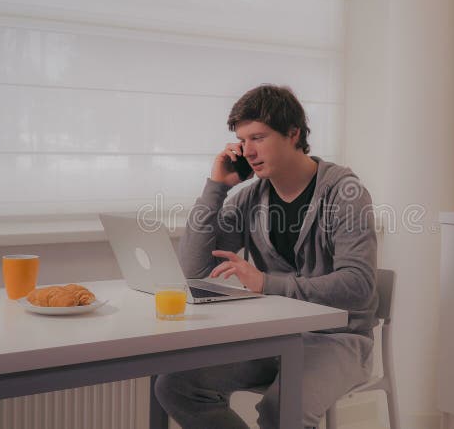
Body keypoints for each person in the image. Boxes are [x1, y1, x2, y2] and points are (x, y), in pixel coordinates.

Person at [154, 84, 379, 429]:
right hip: (276, 335)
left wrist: (266, 283)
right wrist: (216, 187)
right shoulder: (251, 198)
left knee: (280, 410)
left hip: (337, 339)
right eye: (242, 141)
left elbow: (358, 285)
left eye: (258, 137)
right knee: (176, 385)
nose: (248, 151)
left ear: (293, 134)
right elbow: (195, 270)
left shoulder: (345, 193)